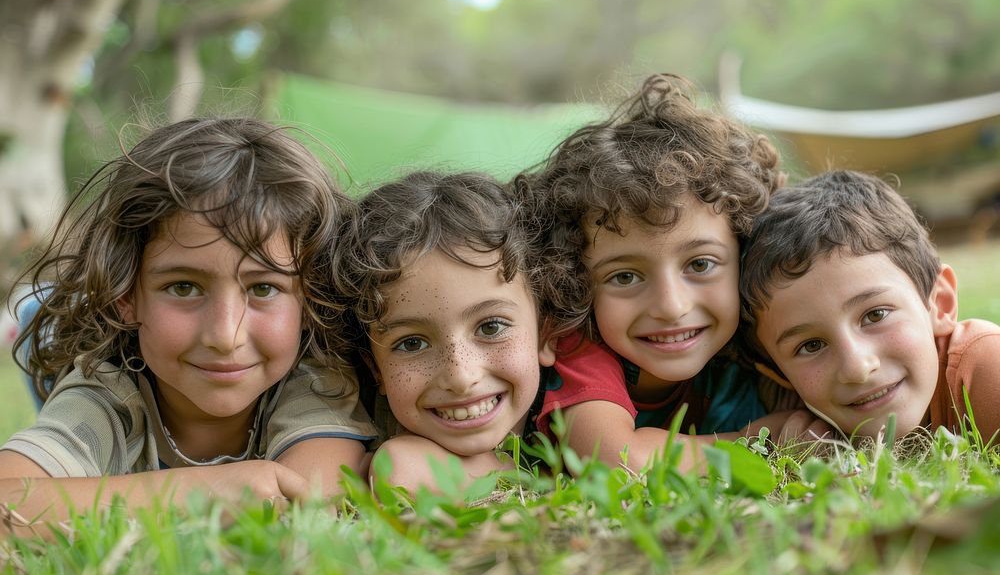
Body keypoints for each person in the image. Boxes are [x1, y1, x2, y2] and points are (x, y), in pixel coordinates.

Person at [1, 117, 378, 535]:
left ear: (309, 298)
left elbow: (310, 504)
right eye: (184, 287)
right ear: (124, 295)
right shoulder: (107, 394)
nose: (224, 336)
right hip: (116, 360)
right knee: (58, 338)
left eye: (265, 288)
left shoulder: (314, 380)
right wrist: (197, 491)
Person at [514, 73, 811, 472]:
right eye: (624, 277)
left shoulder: (758, 332)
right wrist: (767, 440)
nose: (671, 306)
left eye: (700, 265)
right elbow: (618, 462)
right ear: (575, 281)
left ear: (745, 250)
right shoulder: (579, 344)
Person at [332, 171, 557, 493]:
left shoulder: (583, 415)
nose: (461, 376)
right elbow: (402, 470)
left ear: (546, 333)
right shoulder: (373, 442)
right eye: (411, 343)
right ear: (375, 368)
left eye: (491, 327)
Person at [741, 169, 1000, 442]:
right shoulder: (804, 425)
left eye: (876, 315)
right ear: (780, 375)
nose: (857, 367)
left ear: (940, 302)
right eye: (812, 346)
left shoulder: (984, 369)